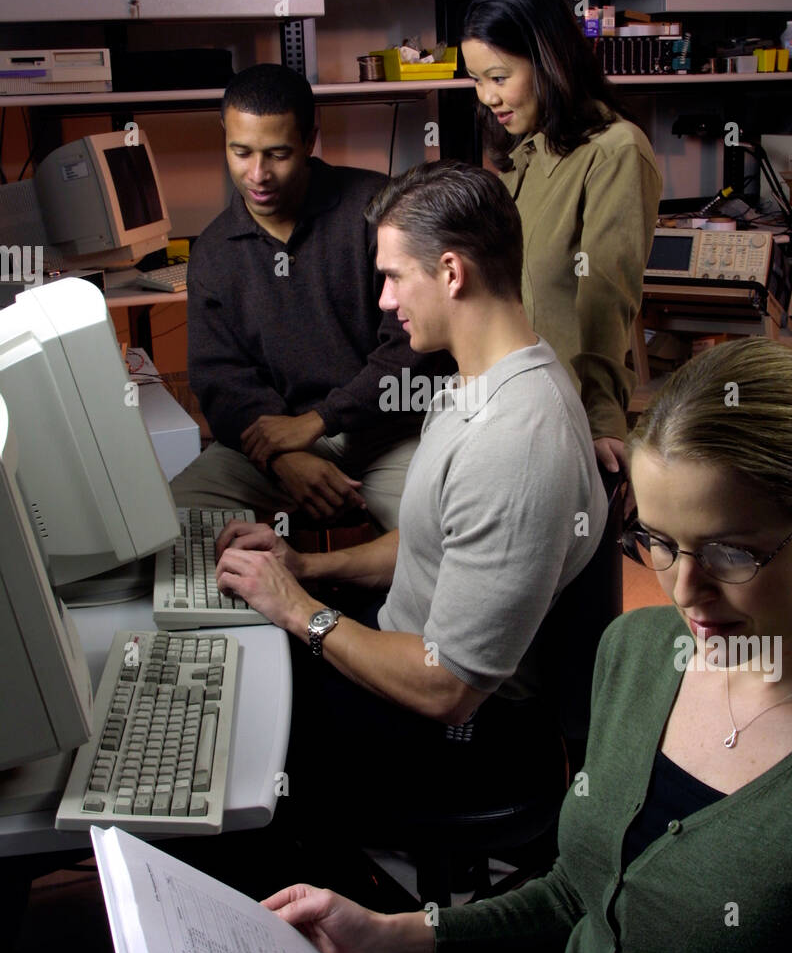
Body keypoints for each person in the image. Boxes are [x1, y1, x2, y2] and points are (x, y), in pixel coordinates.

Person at [256, 336, 792, 953]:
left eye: (732, 551)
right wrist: (390, 940)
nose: (686, 594)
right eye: (659, 543)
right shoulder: (638, 655)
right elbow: (583, 896)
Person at [214, 159, 607, 815]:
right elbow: (436, 541)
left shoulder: (514, 440)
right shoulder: (477, 380)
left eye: (395, 276)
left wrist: (297, 609)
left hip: (455, 732)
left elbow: (446, 687)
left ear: (452, 273)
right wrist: (305, 566)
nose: (386, 301)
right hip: (400, 653)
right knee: (237, 669)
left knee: (232, 753)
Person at [170, 63, 447, 531]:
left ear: (310, 139)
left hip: (388, 435)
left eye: (277, 154)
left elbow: (414, 346)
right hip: (275, 445)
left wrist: (322, 417)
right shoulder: (214, 253)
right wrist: (281, 459)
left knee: (440, 532)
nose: (258, 174)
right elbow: (222, 382)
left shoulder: (378, 210)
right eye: (241, 152)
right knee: (169, 526)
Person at [460, 0, 662, 474]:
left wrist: (602, 422)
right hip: (502, 407)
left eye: (500, 77)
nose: (487, 96)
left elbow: (606, 301)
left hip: (564, 420)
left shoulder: (615, 151)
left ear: (547, 59)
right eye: (477, 80)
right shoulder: (526, 150)